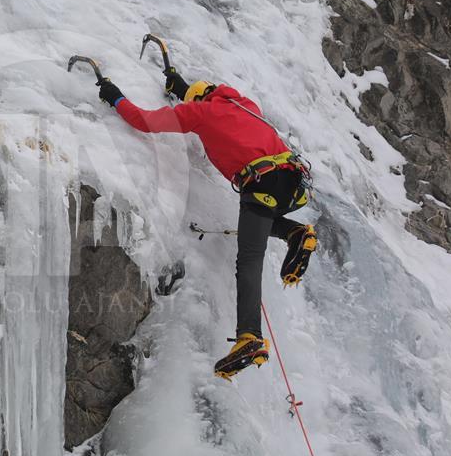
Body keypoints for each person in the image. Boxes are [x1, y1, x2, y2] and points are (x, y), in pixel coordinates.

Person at [95, 46, 318, 380]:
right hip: (292, 182)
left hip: (260, 183)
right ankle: (295, 233)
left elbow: (146, 121)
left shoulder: (200, 114)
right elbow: (209, 101)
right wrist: (180, 86)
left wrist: (115, 97)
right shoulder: (245, 105)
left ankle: (249, 336)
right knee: (259, 223)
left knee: (250, 259)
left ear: (197, 103)